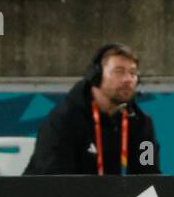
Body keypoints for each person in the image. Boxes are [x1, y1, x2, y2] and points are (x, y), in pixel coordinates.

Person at [25, 44, 161, 176]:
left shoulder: (142, 124)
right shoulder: (63, 120)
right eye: (119, 71)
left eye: (133, 73)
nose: (128, 79)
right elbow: (53, 180)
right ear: (96, 76)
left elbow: (148, 173)